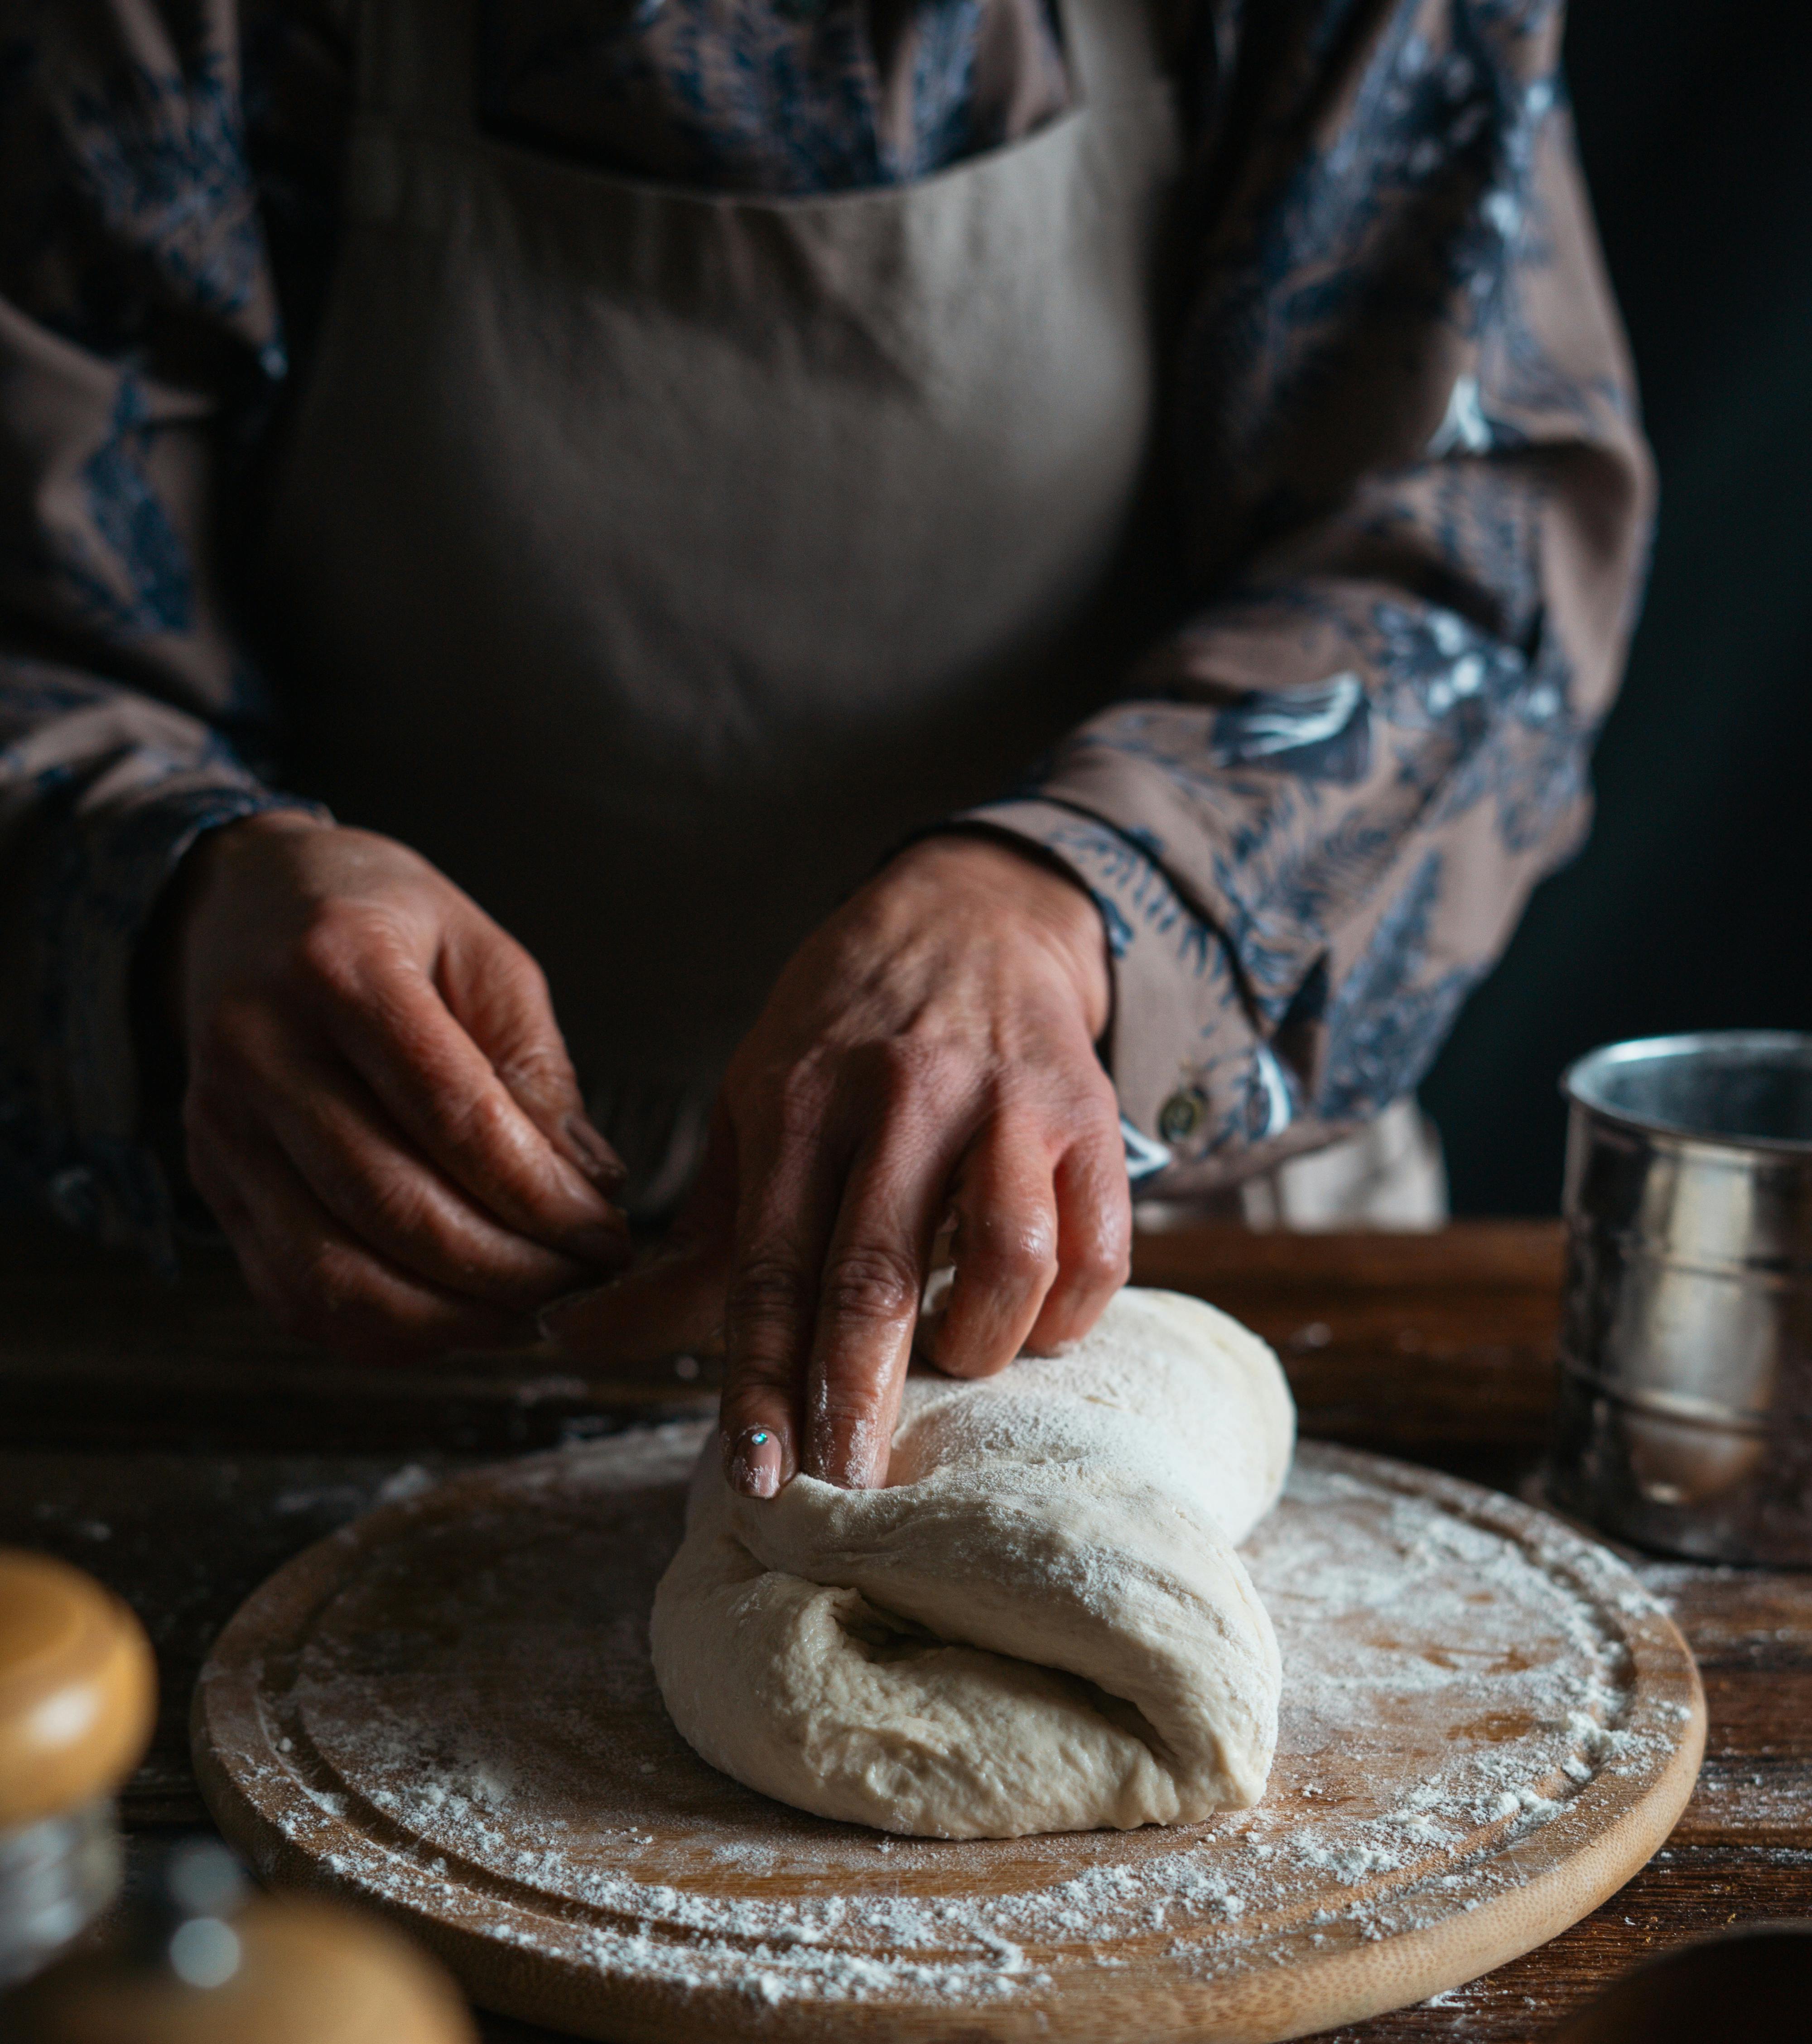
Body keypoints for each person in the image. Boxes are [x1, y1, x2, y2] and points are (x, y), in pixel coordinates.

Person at [0, 0, 1650, 1496]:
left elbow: (1462, 571)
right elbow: (42, 635)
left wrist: (1072, 904)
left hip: (1163, 1246)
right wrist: (189, 901)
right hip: (359, 1258)